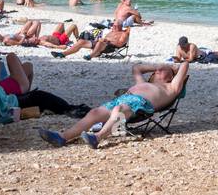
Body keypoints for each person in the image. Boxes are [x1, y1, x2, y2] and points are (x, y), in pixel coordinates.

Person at [41, 62, 189, 148]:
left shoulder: (171, 88)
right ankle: (62, 137)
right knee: (94, 113)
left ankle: (97, 137)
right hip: (123, 99)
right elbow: (136, 68)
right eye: (157, 71)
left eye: (163, 70)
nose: (159, 70)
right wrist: (158, 66)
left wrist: (173, 67)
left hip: (140, 104)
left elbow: (185, 64)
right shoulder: (143, 83)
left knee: (119, 109)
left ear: (171, 77)